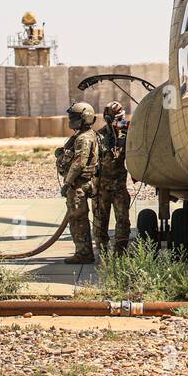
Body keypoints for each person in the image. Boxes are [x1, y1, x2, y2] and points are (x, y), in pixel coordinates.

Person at [56, 101, 99, 264]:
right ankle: (84, 252)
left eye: (73, 117)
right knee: (77, 218)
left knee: (77, 219)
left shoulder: (83, 138)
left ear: (84, 118)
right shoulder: (81, 135)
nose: (70, 120)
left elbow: (79, 163)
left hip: (78, 185)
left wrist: (67, 183)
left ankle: (84, 253)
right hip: (79, 183)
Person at [92, 101, 132, 255]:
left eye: (120, 118)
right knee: (100, 222)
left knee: (123, 221)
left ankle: (120, 252)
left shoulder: (127, 135)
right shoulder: (98, 136)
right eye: (115, 118)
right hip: (101, 188)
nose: (118, 121)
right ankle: (102, 252)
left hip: (119, 187)